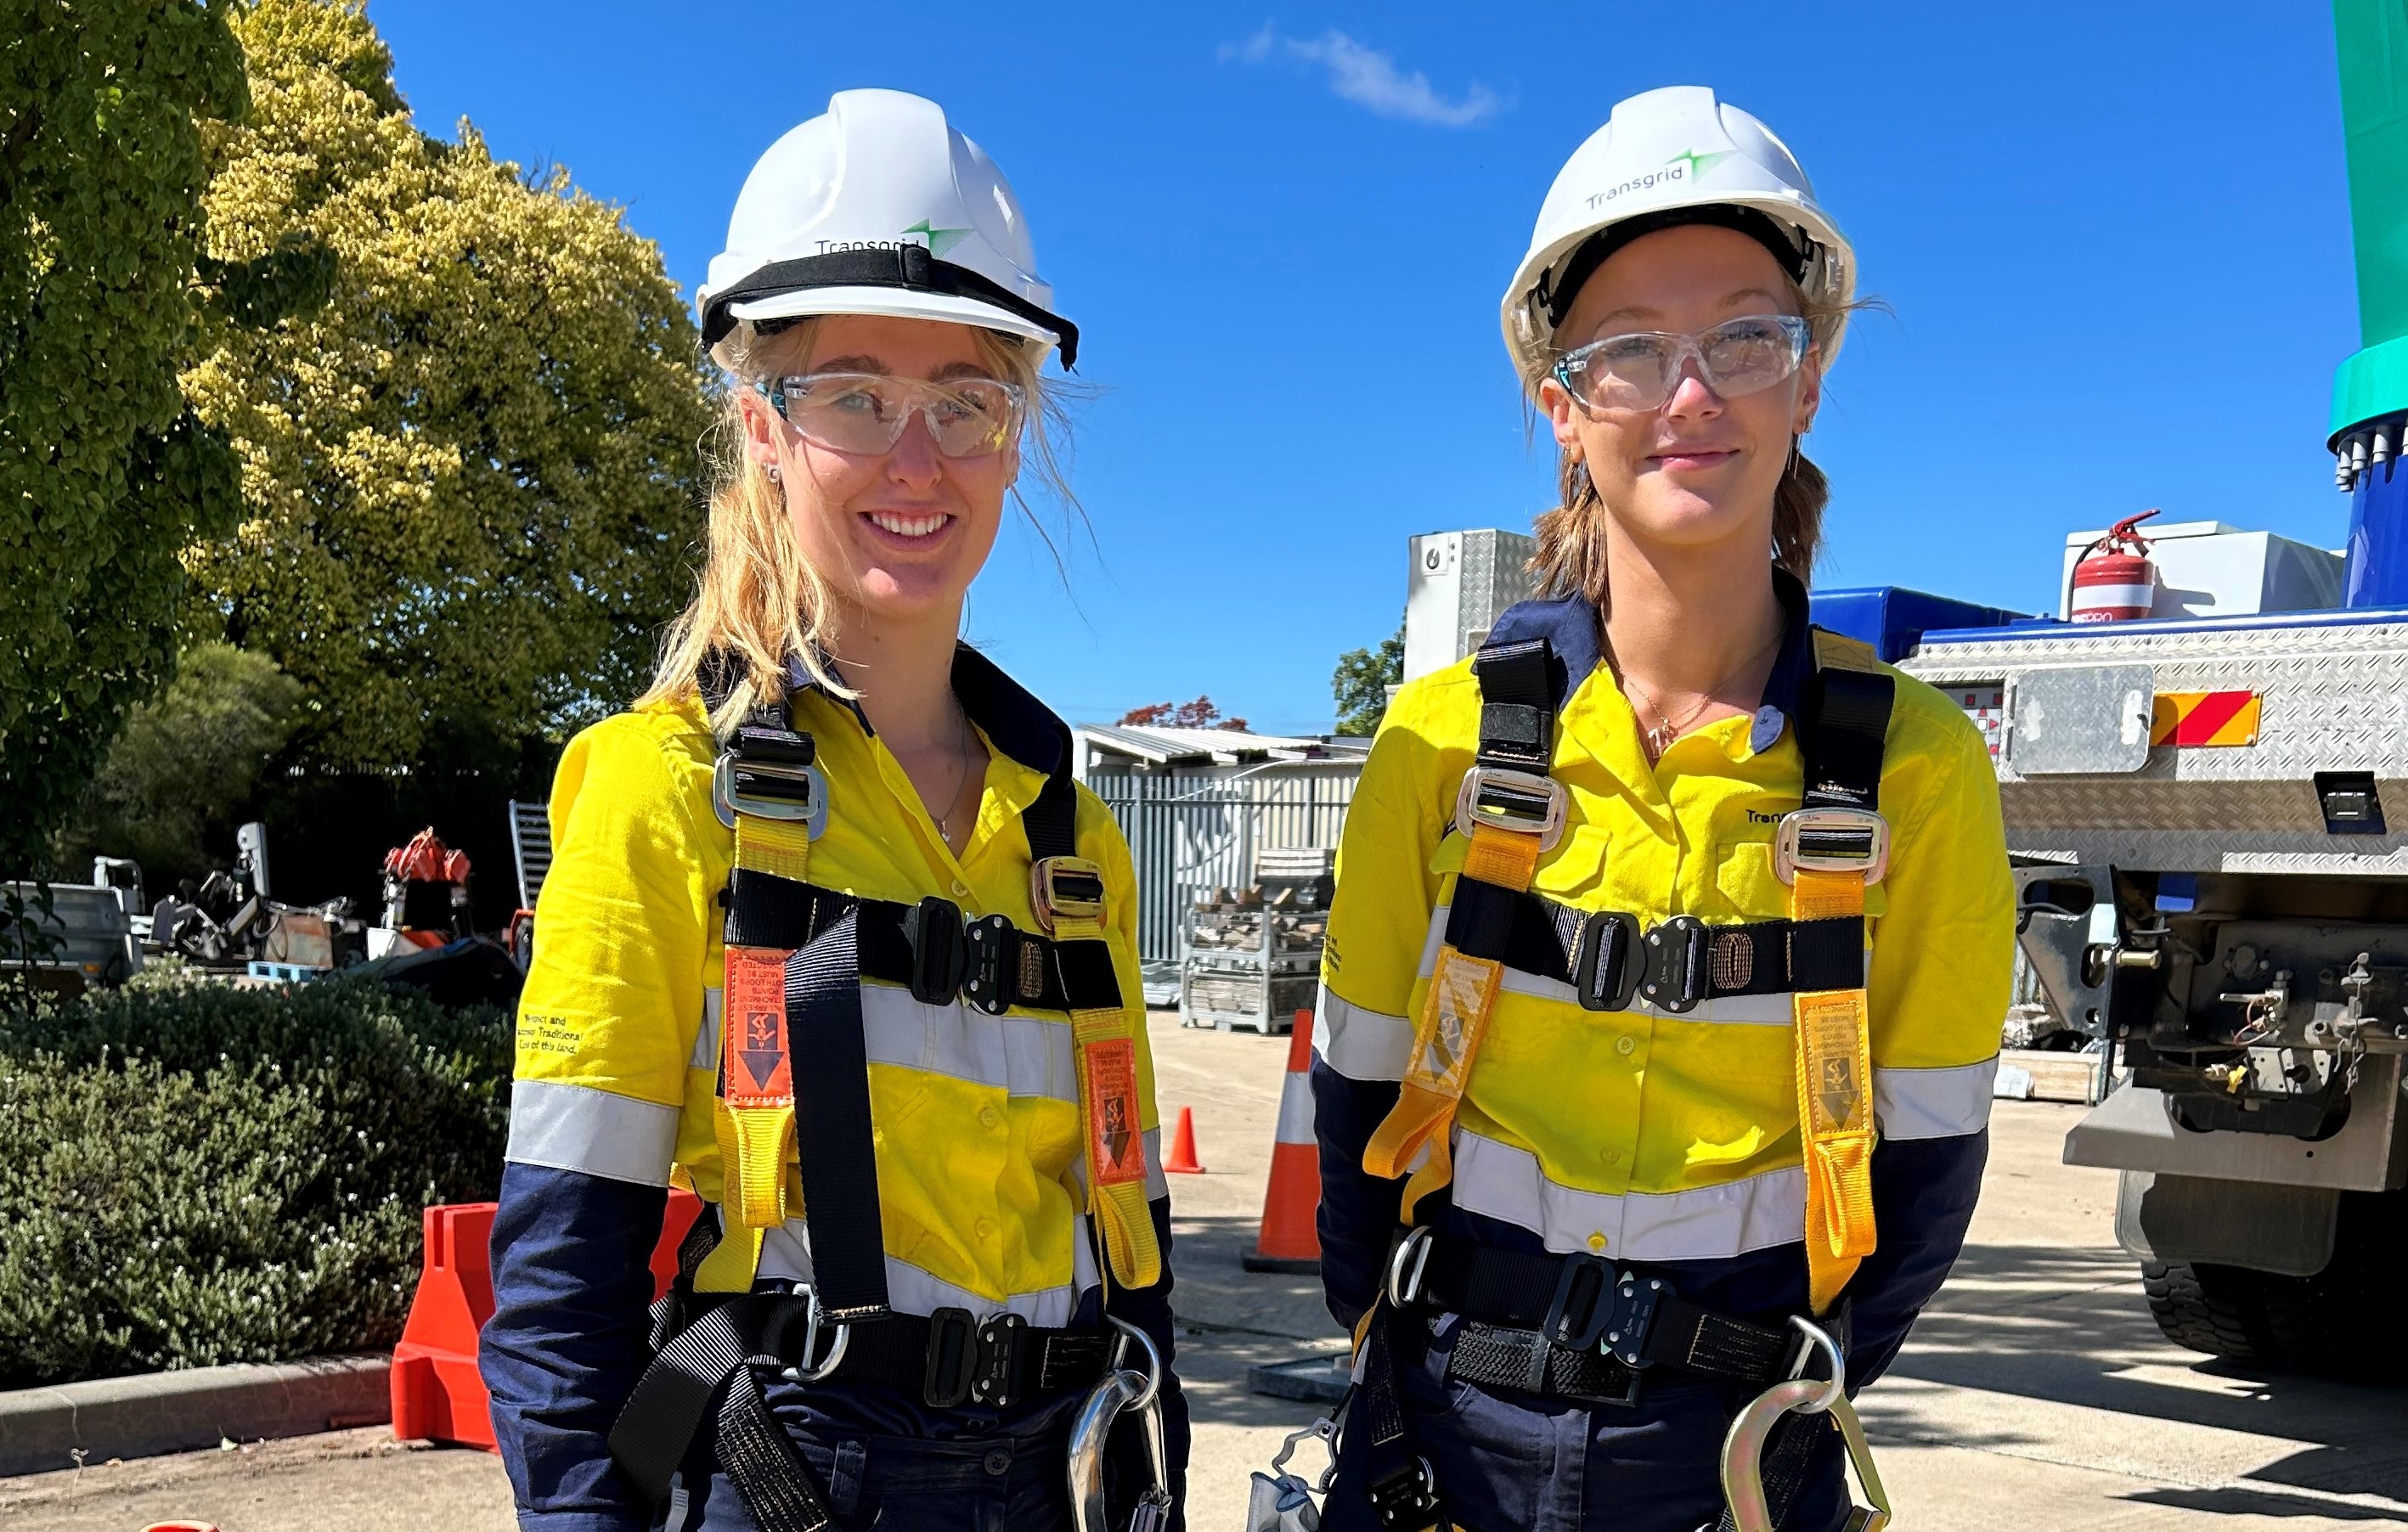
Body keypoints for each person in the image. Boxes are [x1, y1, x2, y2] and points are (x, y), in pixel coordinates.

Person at [480, 89, 1186, 1532]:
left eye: (964, 403)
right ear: (763, 428)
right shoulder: (662, 785)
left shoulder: (1069, 837)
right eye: (854, 393)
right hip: (789, 1473)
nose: (914, 459)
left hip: (1063, 1474)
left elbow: (1131, 1238)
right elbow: (563, 1285)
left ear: (1014, 436)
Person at [1309, 85, 2012, 1531]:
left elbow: (1928, 1165)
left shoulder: (1916, 771)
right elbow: (1356, 1106)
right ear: (1564, 410)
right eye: (1630, 353)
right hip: (1447, 1433)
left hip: (1744, 1458)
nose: (1691, 395)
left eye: (1744, 337)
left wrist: (1782, 1402)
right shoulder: (1438, 746)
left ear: (1807, 381)